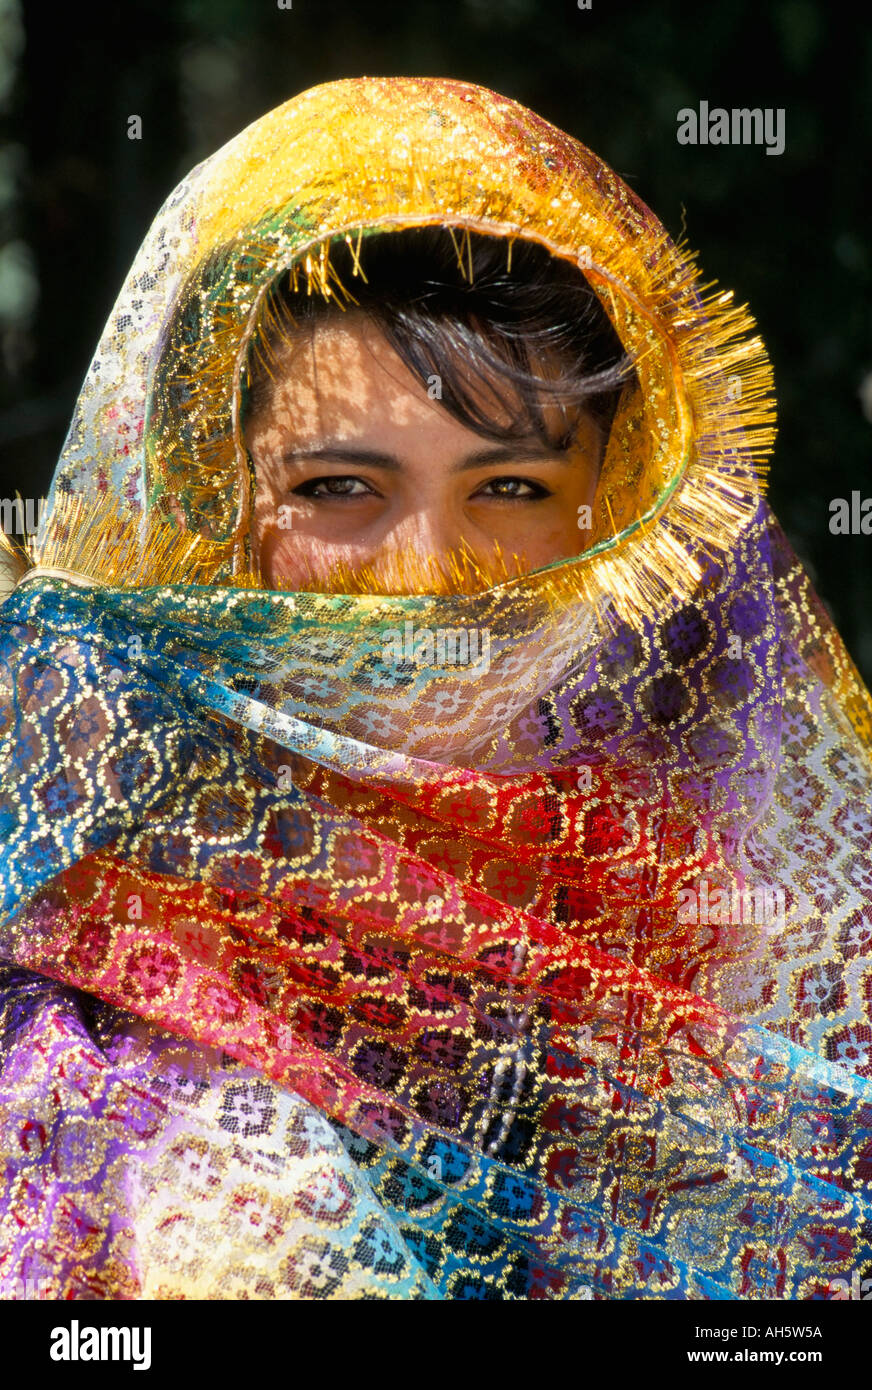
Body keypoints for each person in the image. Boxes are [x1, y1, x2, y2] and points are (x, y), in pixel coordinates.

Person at [1, 74, 870, 1302]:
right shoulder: (79, 887)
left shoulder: (746, 886)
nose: (426, 580)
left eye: (508, 489)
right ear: (218, 511)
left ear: (612, 507)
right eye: (338, 490)